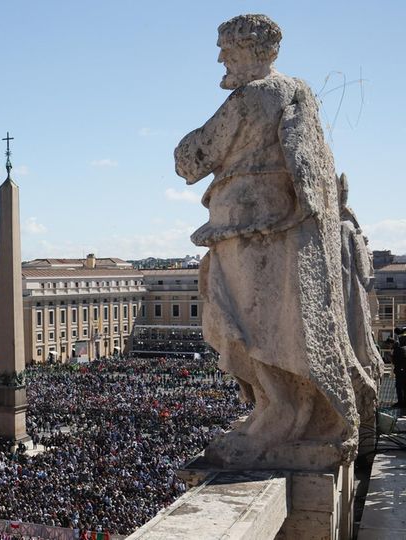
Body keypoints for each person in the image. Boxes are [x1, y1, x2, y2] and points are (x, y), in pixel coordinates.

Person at [174, 14, 358, 468]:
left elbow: (191, 160)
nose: (221, 58)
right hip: (283, 228)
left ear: (254, 52)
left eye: (227, 50)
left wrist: (186, 148)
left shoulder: (250, 97)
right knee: (271, 325)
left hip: (245, 228)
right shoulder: (300, 92)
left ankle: (279, 413)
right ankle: (275, 410)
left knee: (246, 324)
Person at [393, 332, 406, 409]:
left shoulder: (400, 349)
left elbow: (396, 361)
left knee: (399, 387)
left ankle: (401, 403)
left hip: (400, 372)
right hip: (402, 371)